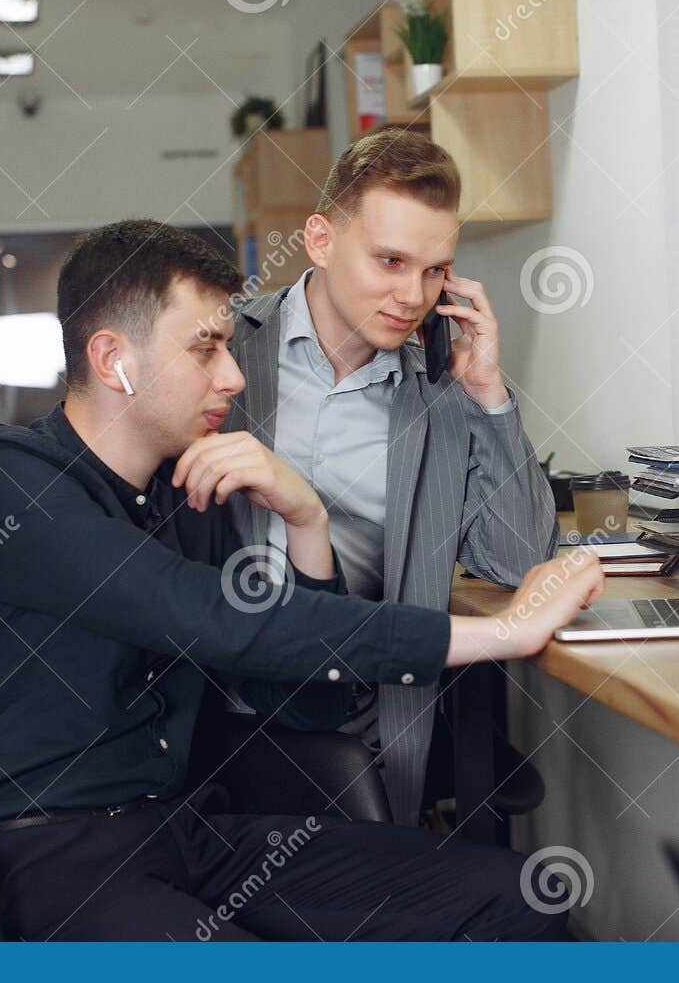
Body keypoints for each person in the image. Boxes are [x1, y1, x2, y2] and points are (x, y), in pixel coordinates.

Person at [0, 218, 603, 941]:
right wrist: (501, 631)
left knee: (518, 894)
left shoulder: (184, 493)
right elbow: (209, 615)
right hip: (35, 858)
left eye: (228, 346)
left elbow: (304, 705)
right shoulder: (6, 480)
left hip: (178, 835)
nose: (233, 375)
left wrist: (306, 518)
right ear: (112, 359)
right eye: (205, 348)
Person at [226, 131, 558, 824]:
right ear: (320, 240)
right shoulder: (226, 349)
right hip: (216, 709)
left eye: (435, 271)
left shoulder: (441, 395)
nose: (412, 295)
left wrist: (489, 394)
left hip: (355, 726)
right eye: (390, 261)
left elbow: (518, 560)